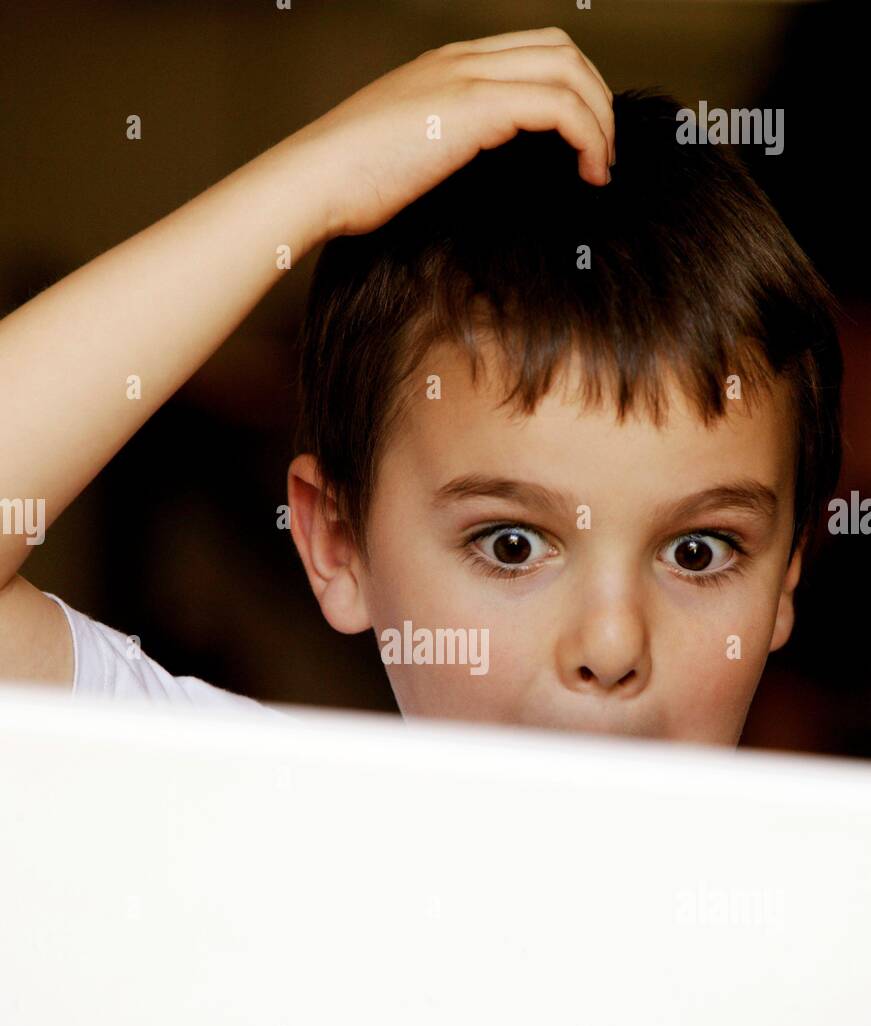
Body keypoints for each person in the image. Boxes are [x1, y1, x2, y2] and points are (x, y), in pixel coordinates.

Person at [0, 27, 841, 744]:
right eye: (509, 544)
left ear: (786, 579)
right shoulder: (253, 804)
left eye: (698, 553)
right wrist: (319, 179)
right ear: (337, 543)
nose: (613, 644)